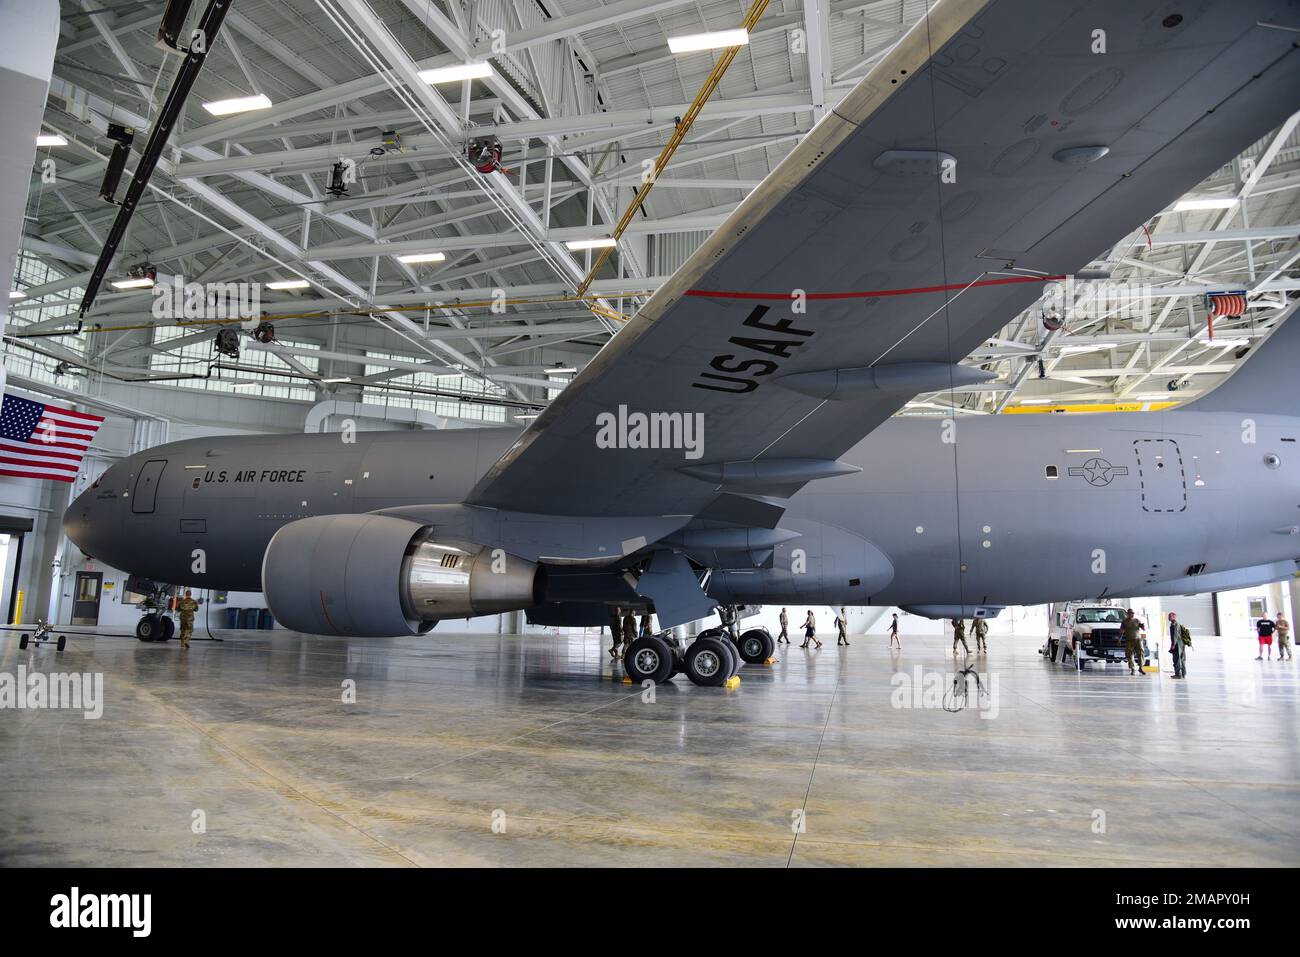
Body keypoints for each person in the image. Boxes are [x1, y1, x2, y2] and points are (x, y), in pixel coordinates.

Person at [1122, 608, 1146, 675]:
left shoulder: (1137, 620)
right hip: (1129, 640)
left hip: (1138, 640)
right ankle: (1132, 669)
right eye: (1130, 613)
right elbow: (1121, 630)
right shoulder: (1124, 622)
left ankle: (1140, 668)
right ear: (1127, 614)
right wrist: (1119, 639)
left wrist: (1143, 626)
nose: (1131, 614)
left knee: (1140, 653)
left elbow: (1143, 629)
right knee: (1129, 655)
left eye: (1132, 613)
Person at [1168, 611, 1187, 679]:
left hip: (1177, 644)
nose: (1168, 617)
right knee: (1181, 659)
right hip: (1180, 644)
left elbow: (1175, 635)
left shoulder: (1175, 624)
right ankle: (1183, 673)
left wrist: (1173, 644)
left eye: (1170, 616)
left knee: (1177, 659)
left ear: (1174, 617)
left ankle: (1178, 674)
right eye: (1168, 616)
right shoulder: (1175, 624)